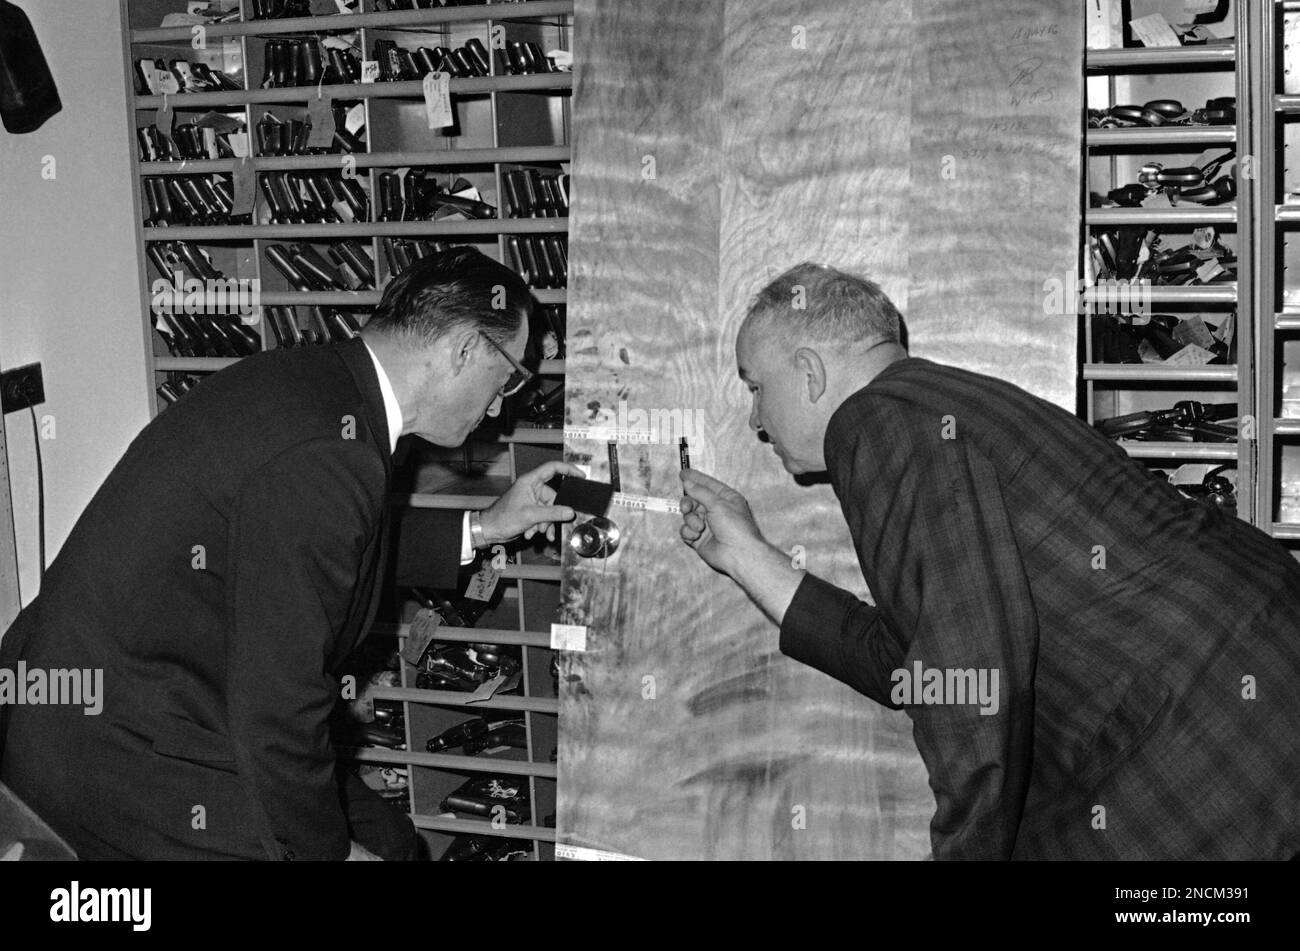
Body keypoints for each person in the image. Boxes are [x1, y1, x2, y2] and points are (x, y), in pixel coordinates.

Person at [678, 262, 1300, 860]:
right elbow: (914, 664)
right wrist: (744, 555)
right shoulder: (935, 406)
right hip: (1255, 699)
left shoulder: (878, 422)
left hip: (1223, 752)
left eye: (755, 387)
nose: (756, 420)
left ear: (809, 372)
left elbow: (970, 692)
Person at [0, 246, 579, 860]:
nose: (500, 405)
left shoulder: (320, 387)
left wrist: (485, 528)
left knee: (395, 841)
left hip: (122, 699)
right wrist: (328, 856)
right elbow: (279, 709)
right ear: (465, 349)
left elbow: (314, 544)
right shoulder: (328, 452)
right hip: (125, 752)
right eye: (510, 377)